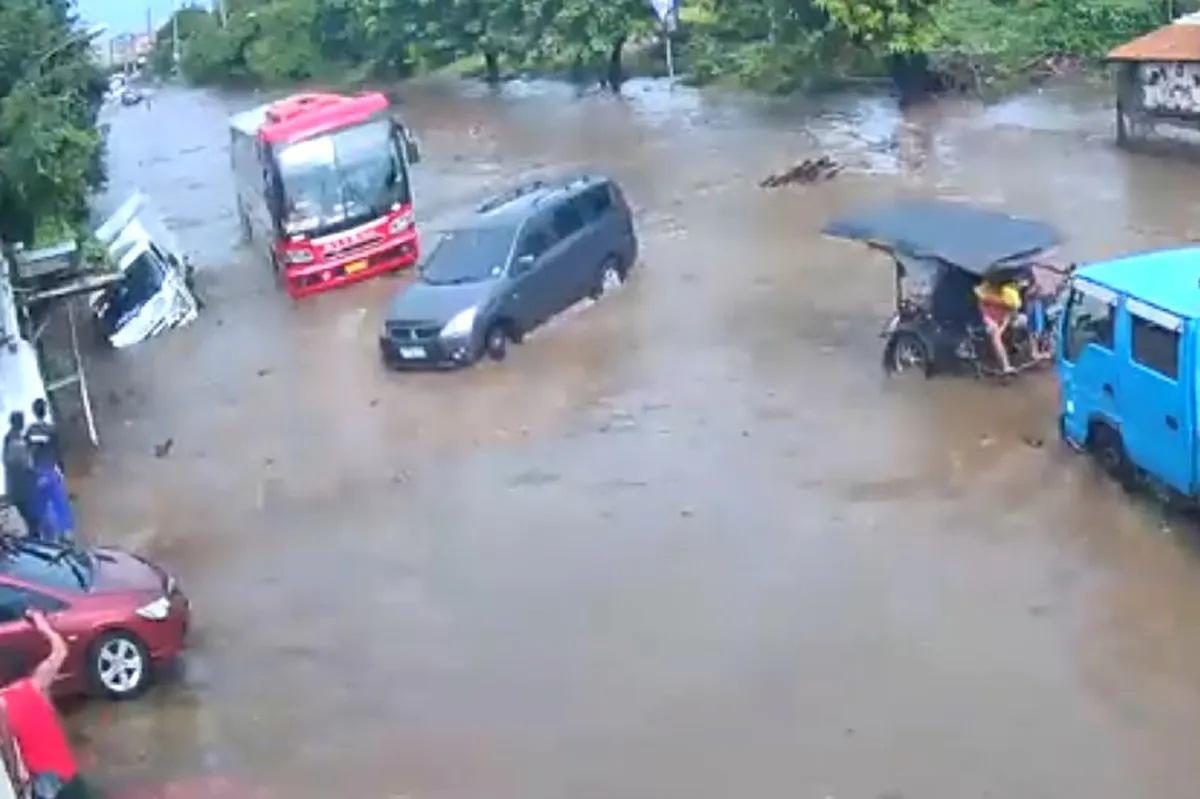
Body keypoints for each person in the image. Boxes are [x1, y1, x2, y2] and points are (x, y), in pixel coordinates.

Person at [0, 610, 86, 799]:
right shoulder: (35, 686)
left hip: (45, 784)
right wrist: (43, 625)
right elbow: (60, 651)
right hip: (68, 774)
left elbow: (7, 753)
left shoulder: (3, 706)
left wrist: (16, 780)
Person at [973, 277, 1021, 374]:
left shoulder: (1008, 295)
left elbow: (1009, 314)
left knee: (1020, 321)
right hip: (988, 322)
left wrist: (1002, 328)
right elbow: (983, 314)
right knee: (994, 331)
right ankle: (1006, 365)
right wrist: (994, 326)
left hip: (1005, 322)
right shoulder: (983, 295)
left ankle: (1011, 346)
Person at [2, 415, 38, 539]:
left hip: (16, 484)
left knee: (25, 514)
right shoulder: (14, 439)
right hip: (21, 484)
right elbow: (22, 461)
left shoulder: (11, 438)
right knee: (28, 515)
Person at [23, 401, 59, 472]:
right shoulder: (51, 429)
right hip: (48, 466)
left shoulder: (30, 430)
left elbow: (26, 449)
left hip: (39, 468)